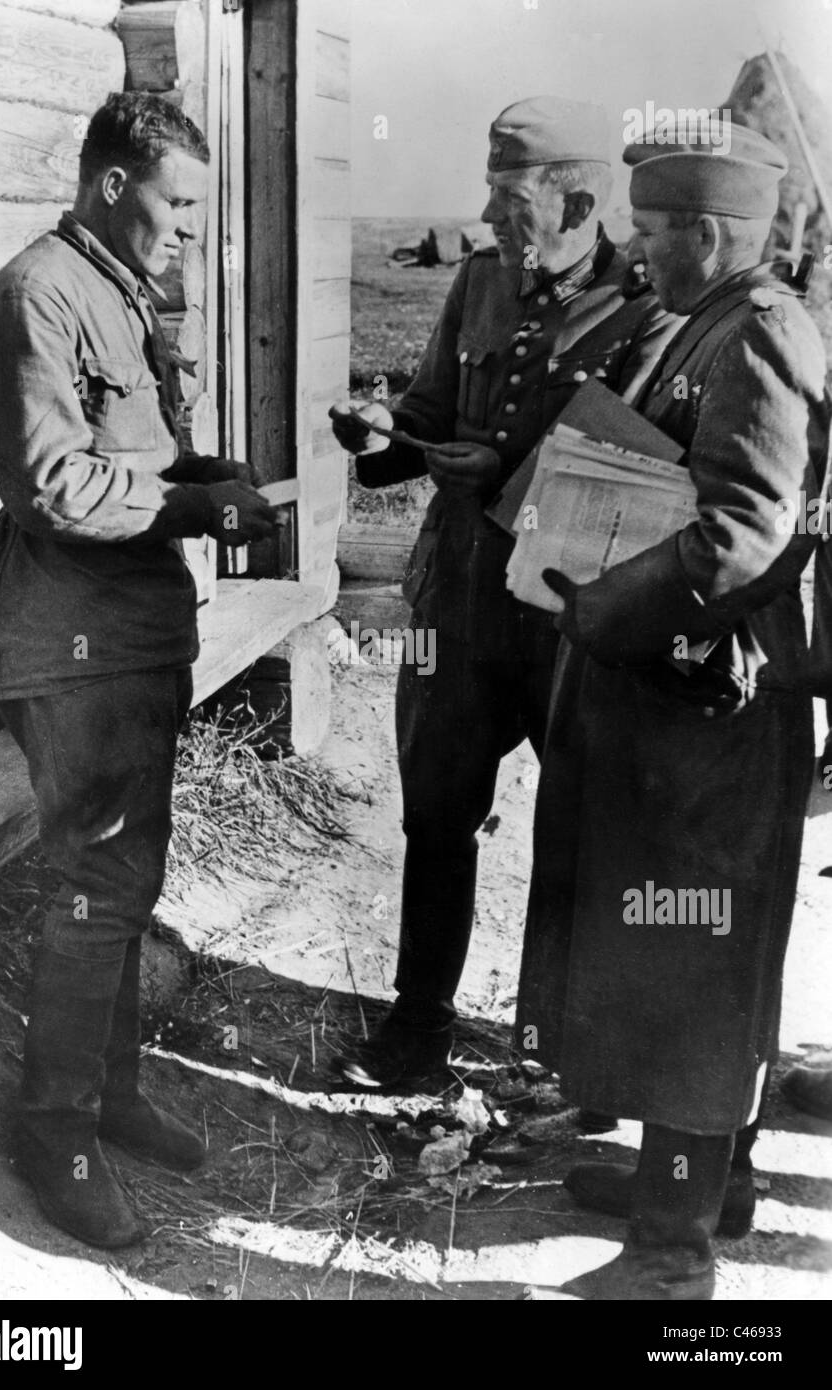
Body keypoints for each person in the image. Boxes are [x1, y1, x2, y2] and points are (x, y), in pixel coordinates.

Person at [0, 93, 279, 1247]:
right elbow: (49, 485)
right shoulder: (36, 295)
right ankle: (55, 1131)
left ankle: (111, 1091)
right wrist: (187, 502)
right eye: (176, 202)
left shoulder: (115, 290)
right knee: (93, 889)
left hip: (131, 638)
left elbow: (118, 455)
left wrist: (202, 468)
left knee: (124, 881)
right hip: (70, 649)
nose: (189, 227)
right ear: (108, 185)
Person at [516, 122, 830, 1300]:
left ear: (705, 233)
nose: (636, 250)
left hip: (711, 712)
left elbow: (741, 528)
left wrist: (604, 607)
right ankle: (703, 1184)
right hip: (674, 701)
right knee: (672, 952)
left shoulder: (755, 334)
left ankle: (668, 1261)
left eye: (651, 233)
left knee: (697, 967)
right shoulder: (699, 320)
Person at [330, 96, 681, 1089]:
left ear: (575, 201)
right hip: (457, 600)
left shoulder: (650, 305)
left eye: (505, 194)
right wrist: (382, 428)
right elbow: (431, 408)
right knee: (434, 810)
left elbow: (643, 469)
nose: (486, 214)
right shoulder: (480, 280)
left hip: (567, 613)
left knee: (577, 827)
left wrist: (506, 467)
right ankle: (415, 1029)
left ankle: (558, 1051)